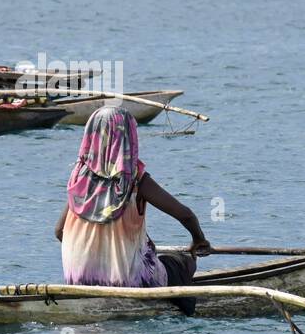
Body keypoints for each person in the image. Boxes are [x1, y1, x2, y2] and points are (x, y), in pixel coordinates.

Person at [55, 107, 211, 300]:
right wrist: (199, 240)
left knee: (150, 254)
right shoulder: (136, 180)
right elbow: (185, 215)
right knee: (184, 263)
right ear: (128, 137)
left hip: (77, 281)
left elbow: (59, 232)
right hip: (129, 283)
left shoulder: (79, 179)